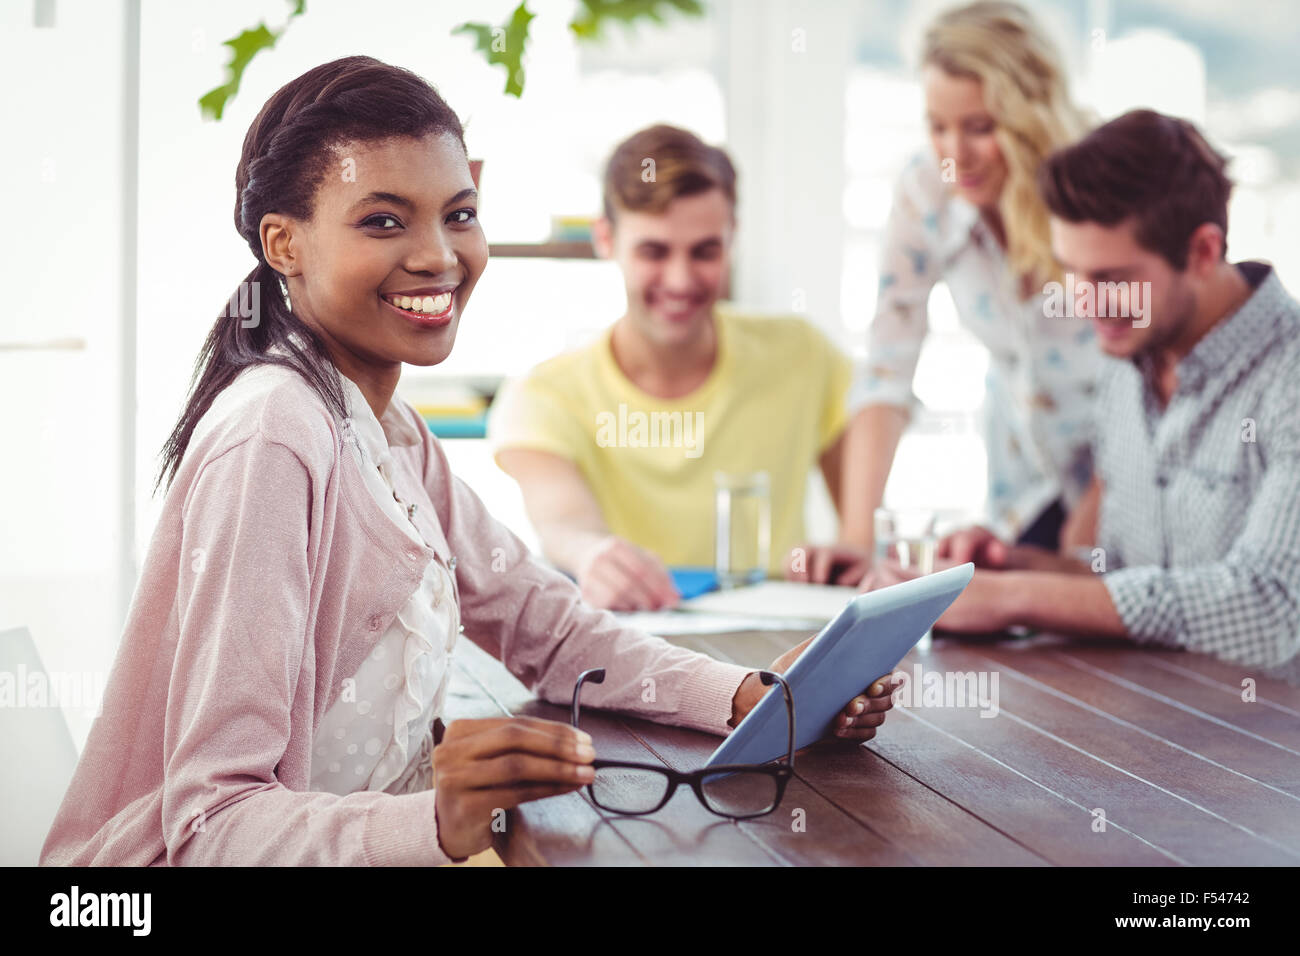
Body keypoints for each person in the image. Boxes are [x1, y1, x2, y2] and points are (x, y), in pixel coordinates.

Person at [38, 57, 896, 867]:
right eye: (384, 220)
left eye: (459, 213)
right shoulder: (273, 435)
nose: (441, 257)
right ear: (283, 244)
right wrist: (436, 822)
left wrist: (749, 695)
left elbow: (551, 631)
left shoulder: (389, 432)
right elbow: (210, 827)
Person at [865, 110, 1300, 683]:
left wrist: (1015, 596)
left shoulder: (1286, 376)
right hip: (1153, 731)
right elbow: (1126, 576)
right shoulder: (1127, 359)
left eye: (1111, 279)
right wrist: (1001, 569)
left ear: (1201, 251)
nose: (1083, 305)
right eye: (1071, 272)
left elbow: (1268, 609)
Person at [489, 124, 853, 611]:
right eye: (654, 251)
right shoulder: (545, 394)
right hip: (634, 653)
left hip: (784, 650)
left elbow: (863, 487)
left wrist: (853, 549)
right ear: (605, 239)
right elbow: (564, 525)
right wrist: (593, 554)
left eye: (706, 251)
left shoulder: (801, 354)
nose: (680, 281)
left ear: (733, 238)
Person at [799, 1, 1095, 586]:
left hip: (1130, 489)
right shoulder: (924, 191)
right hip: (1027, 491)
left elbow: (1138, 387)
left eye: (980, 127)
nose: (955, 153)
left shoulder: (1096, 183)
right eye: (938, 125)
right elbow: (886, 367)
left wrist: (1078, 555)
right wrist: (859, 539)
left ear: (1030, 115)